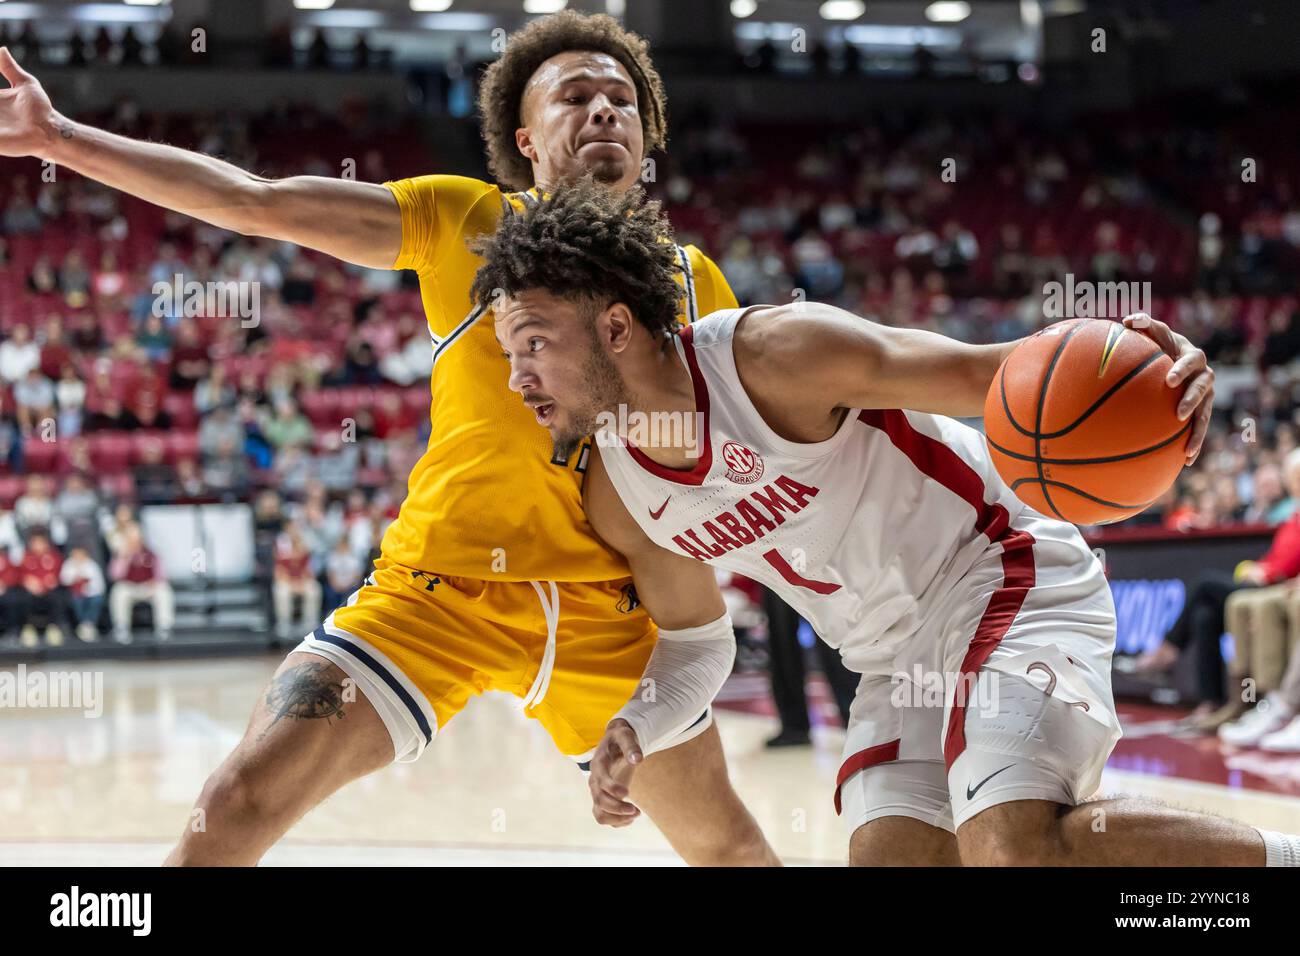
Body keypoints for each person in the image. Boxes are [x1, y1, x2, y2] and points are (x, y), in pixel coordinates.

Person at [0, 12, 775, 866]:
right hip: (440, 590)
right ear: (524, 135)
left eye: (622, 101)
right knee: (232, 807)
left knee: (729, 848)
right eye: (576, 96)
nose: (603, 112)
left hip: (613, 606)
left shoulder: (695, 280)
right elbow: (252, 203)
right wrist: (59, 136)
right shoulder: (466, 222)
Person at [478, 179, 1297, 867]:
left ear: (615, 329)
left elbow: (997, 373)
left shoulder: (773, 358)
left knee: (1008, 846)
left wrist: (1146, 363)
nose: (516, 378)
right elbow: (696, 638)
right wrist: (637, 722)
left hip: (1000, 572)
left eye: (532, 344)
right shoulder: (617, 494)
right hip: (894, 660)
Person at [108, 524, 174, 643]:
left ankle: (164, 627)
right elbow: (115, 576)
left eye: (137, 539)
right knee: (119, 591)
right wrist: (124, 558)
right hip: (130, 587)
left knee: (163, 590)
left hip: (148, 587)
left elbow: (162, 575)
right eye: (131, 540)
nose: (135, 542)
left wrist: (155, 581)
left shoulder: (151, 554)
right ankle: (121, 627)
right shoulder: (122, 555)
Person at [60, 544, 105, 642]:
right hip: (74, 595)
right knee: (77, 601)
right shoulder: (68, 564)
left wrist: (86, 588)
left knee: (97, 600)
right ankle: (85, 625)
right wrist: (76, 574)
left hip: (91, 594)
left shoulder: (92, 565)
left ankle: (88, 625)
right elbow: (63, 580)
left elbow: (100, 586)